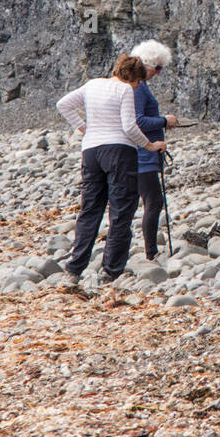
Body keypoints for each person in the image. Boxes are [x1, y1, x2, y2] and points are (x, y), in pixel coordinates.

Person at [56, 54, 166, 287]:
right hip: (119, 152)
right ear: (133, 78)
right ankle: (111, 270)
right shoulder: (125, 90)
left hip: (91, 153)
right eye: (138, 82)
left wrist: (84, 128)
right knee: (120, 210)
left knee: (90, 209)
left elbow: (63, 104)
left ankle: (74, 269)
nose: (137, 87)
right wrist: (150, 145)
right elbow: (129, 126)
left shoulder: (92, 84)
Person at [130, 39, 179, 260]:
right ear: (147, 65)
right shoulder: (138, 88)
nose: (159, 73)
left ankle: (150, 250)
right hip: (143, 154)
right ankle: (151, 253)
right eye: (157, 68)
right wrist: (163, 121)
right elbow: (138, 121)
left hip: (145, 153)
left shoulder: (139, 86)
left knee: (150, 200)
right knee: (154, 201)